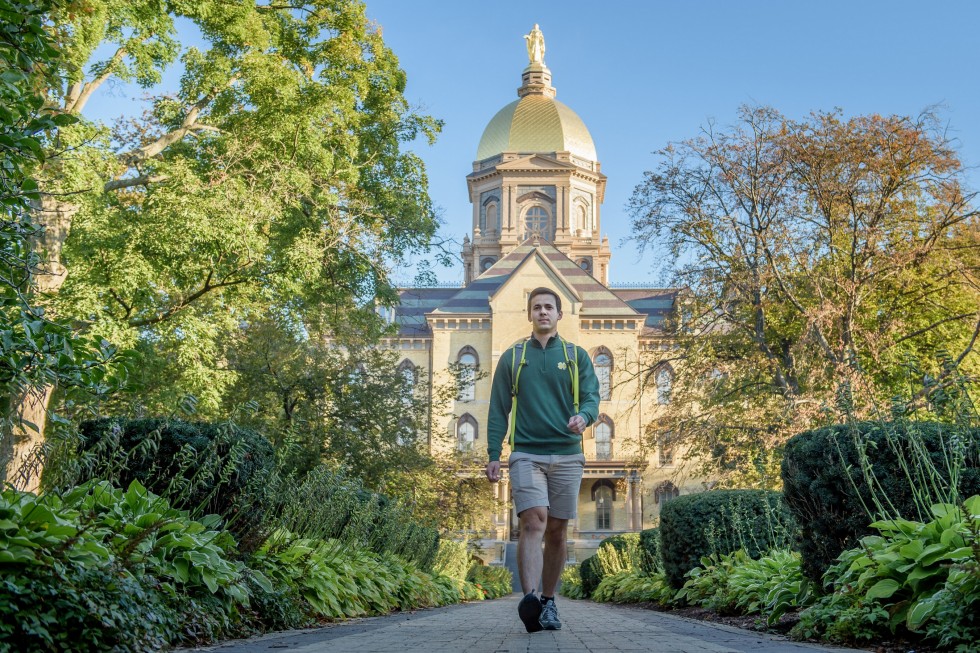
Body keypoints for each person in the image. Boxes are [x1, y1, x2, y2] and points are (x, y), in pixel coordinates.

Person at [486, 287, 600, 632]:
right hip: (526, 452)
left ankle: (549, 601)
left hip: (567, 453)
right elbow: (498, 408)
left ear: (559, 314)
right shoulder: (514, 357)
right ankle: (531, 600)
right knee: (533, 522)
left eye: (549, 307)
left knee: (557, 530)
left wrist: (584, 417)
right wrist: (494, 454)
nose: (543, 312)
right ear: (530, 314)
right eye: (536, 307)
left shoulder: (576, 356)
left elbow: (592, 398)